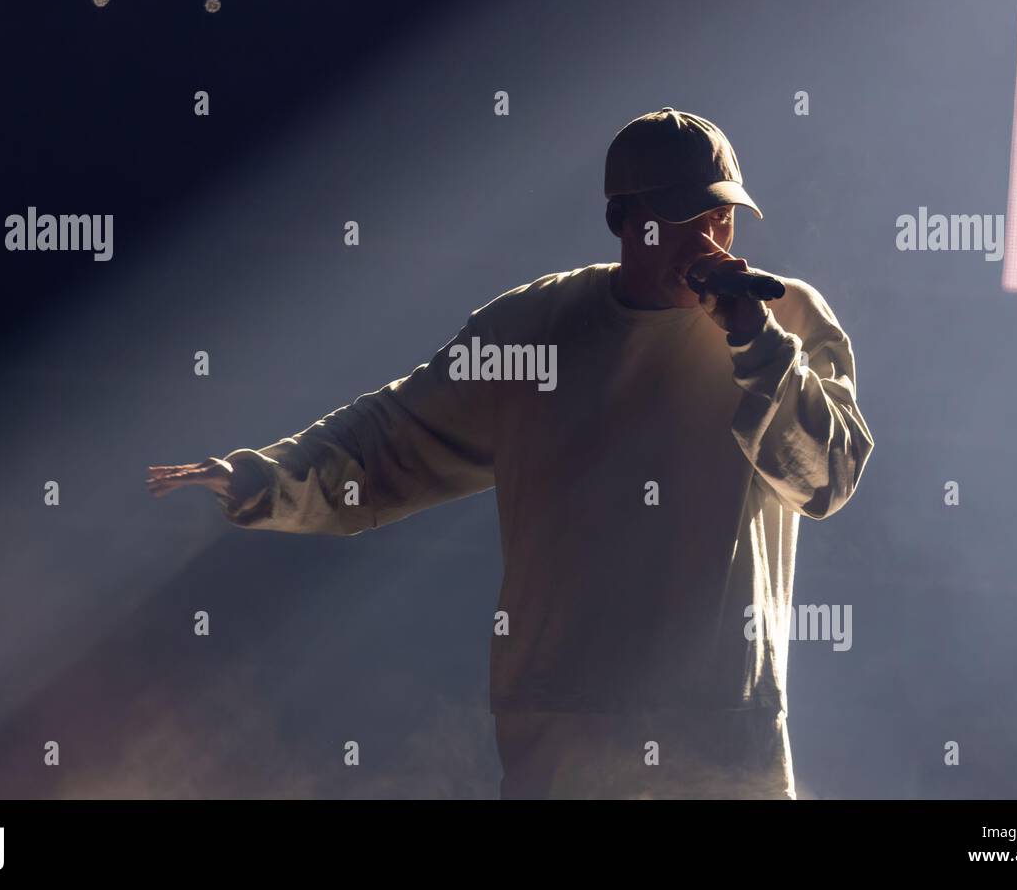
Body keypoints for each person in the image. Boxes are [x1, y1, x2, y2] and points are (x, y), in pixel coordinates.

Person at [147, 107, 875, 799]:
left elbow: (830, 476)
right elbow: (390, 438)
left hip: (722, 738)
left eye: (721, 216)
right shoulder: (536, 331)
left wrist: (757, 344)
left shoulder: (784, 315)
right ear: (625, 221)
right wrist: (260, 476)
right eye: (683, 219)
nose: (710, 239)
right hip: (566, 737)